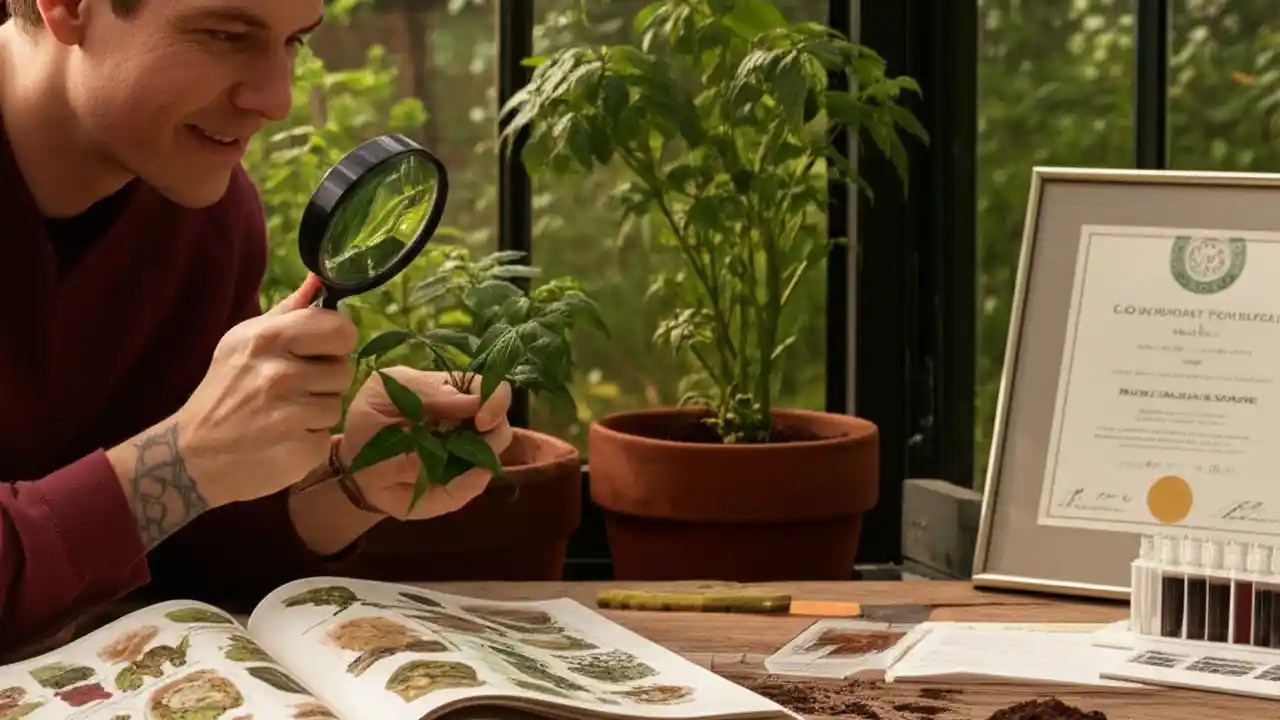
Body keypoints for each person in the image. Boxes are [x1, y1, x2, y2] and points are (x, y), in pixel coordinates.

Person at [0, 0, 513, 658]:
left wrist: (348, 478)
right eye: (223, 34)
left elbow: (184, 550)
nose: (277, 99)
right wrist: (182, 460)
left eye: (293, 43)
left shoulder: (207, 218)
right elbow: (169, 485)